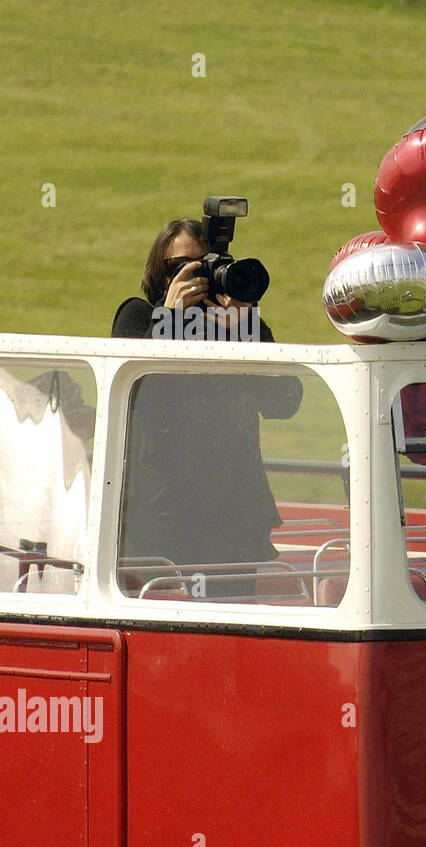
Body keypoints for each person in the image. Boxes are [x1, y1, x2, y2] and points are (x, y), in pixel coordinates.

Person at [112, 218, 302, 597]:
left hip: (232, 518)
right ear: (161, 274)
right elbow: (136, 393)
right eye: (182, 266)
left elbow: (285, 400)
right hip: (161, 519)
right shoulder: (138, 317)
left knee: (231, 638)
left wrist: (246, 330)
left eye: (207, 265)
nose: (197, 275)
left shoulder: (238, 327)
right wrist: (170, 319)